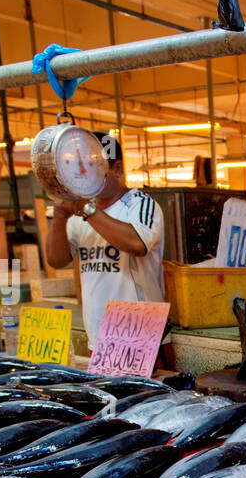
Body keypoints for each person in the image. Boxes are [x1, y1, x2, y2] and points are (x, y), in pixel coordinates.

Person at [45, 132, 164, 348]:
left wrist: (87, 210)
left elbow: (137, 244)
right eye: (79, 171)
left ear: (117, 169)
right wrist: (60, 218)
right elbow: (56, 259)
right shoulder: (80, 214)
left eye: (95, 169)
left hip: (142, 336)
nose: (85, 177)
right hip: (99, 336)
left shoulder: (140, 204)